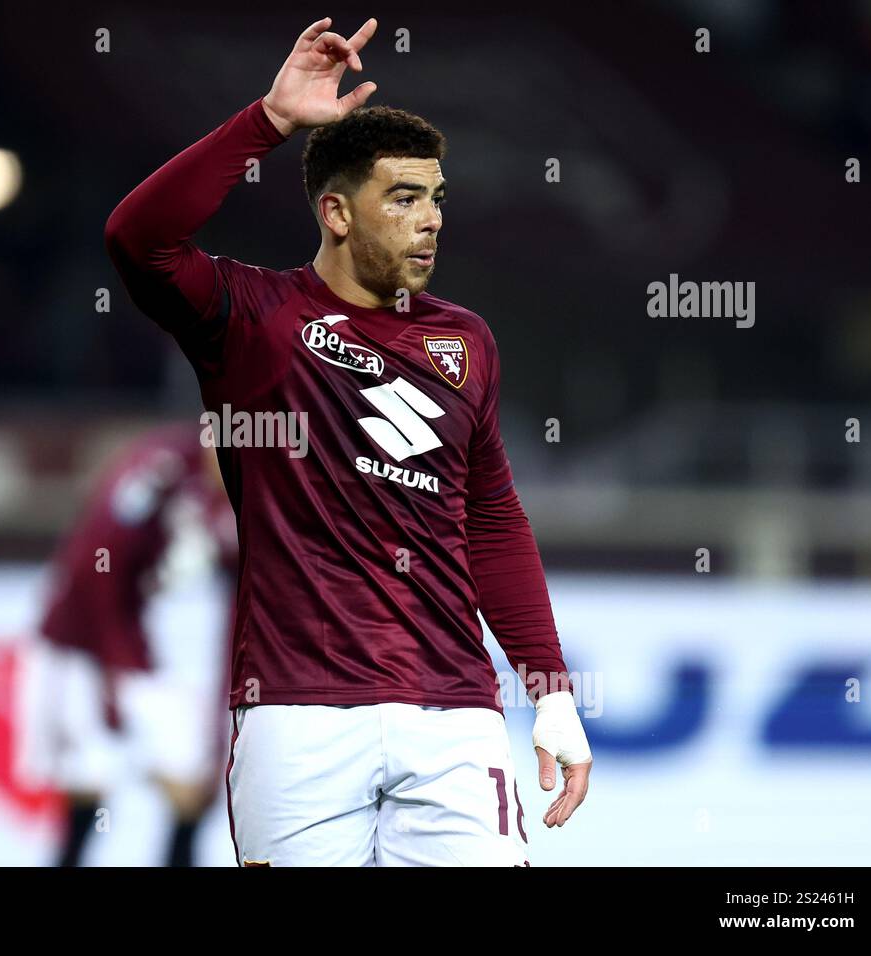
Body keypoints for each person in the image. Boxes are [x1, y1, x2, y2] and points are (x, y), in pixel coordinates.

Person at [104, 17, 592, 866]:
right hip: (295, 716)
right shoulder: (251, 317)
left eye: (437, 198)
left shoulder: (466, 340)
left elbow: (494, 520)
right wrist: (268, 120)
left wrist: (549, 691)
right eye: (403, 199)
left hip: (454, 712)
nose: (430, 220)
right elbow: (136, 238)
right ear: (334, 211)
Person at [14, 425, 236, 866]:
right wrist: (114, 671)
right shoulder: (159, 469)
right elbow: (96, 561)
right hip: (85, 646)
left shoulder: (235, 500)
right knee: (89, 785)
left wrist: (225, 709)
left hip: (148, 650)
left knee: (194, 787)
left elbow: (240, 605)